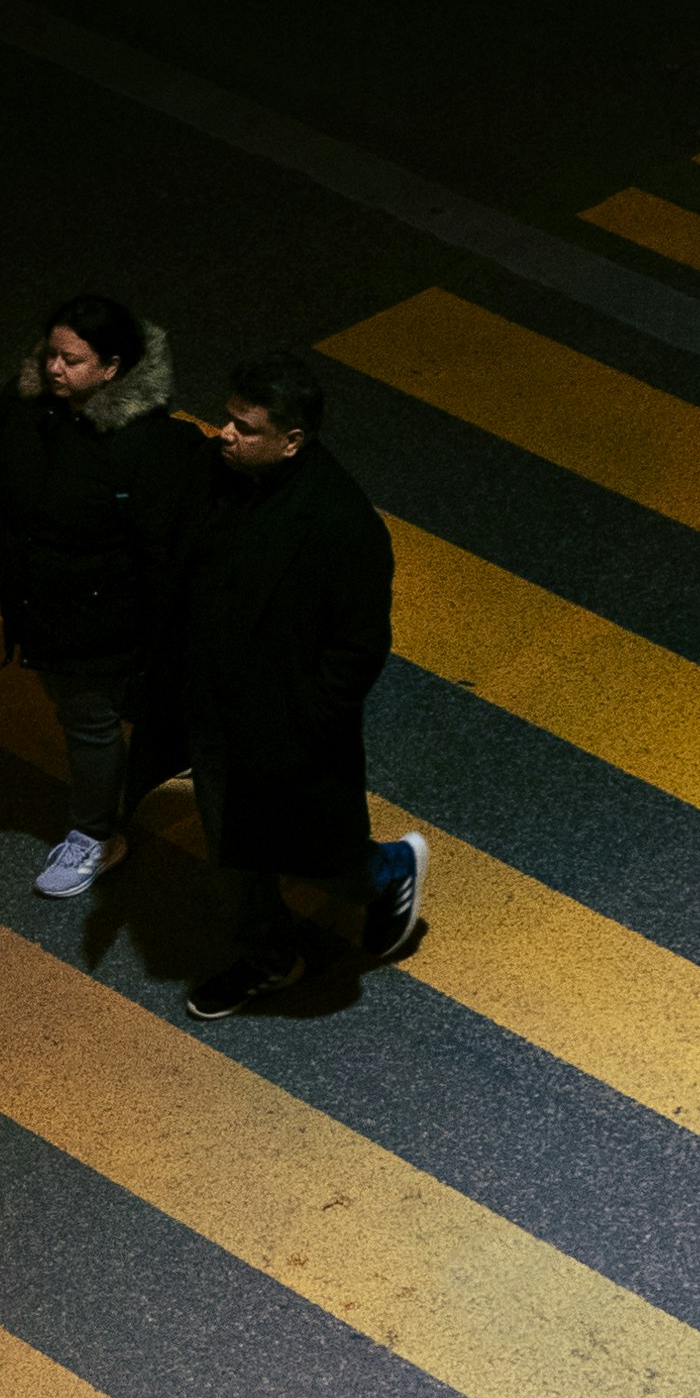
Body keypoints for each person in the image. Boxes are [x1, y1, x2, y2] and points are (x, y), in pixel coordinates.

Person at [0, 291, 211, 899]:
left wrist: (167, 635)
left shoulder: (145, 444)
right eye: (52, 354)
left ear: (112, 369)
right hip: (39, 596)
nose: (55, 369)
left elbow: (165, 550)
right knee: (83, 710)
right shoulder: (24, 402)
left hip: (100, 613)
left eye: (73, 360)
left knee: (88, 722)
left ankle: (95, 835)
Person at [175, 351, 427, 1015]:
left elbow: (359, 647)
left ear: (292, 441)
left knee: (323, 857)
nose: (225, 433)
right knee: (234, 848)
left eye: (246, 428)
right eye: (227, 418)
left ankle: (391, 870)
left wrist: (309, 721)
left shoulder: (341, 525)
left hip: (288, 724)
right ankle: (269, 955)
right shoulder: (217, 473)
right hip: (216, 709)